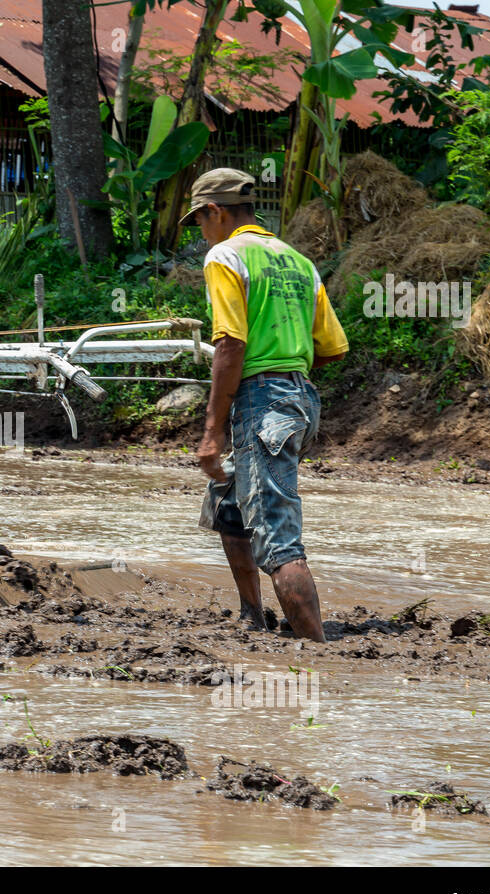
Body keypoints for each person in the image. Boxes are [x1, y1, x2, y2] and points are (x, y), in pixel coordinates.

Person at [182, 168, 348, 642]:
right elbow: (332, 347)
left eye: (199, 220)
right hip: (298, 398)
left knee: (277, 538)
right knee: (228, 503)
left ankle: (318, 651)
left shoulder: (226, 255)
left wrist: (212, 431)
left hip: (262, 401)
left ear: (215, 211)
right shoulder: (298, 261)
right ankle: (252, 614)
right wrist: (285, 353)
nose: (201, 231)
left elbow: (230, 345)